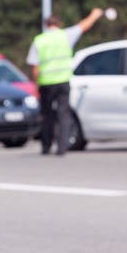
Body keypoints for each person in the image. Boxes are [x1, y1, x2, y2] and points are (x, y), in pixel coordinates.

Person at [27, 8, 104, 155]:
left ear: (46, 25)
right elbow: (83, 26)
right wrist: (94, 15)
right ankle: (62, 147)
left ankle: (46, 146)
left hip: (46, 82)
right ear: (59, 24)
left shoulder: (39, 40)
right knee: (63, 114)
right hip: (63, 80)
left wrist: (36, 84)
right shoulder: (65, 36)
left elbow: (35, 66)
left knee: (47, 115)